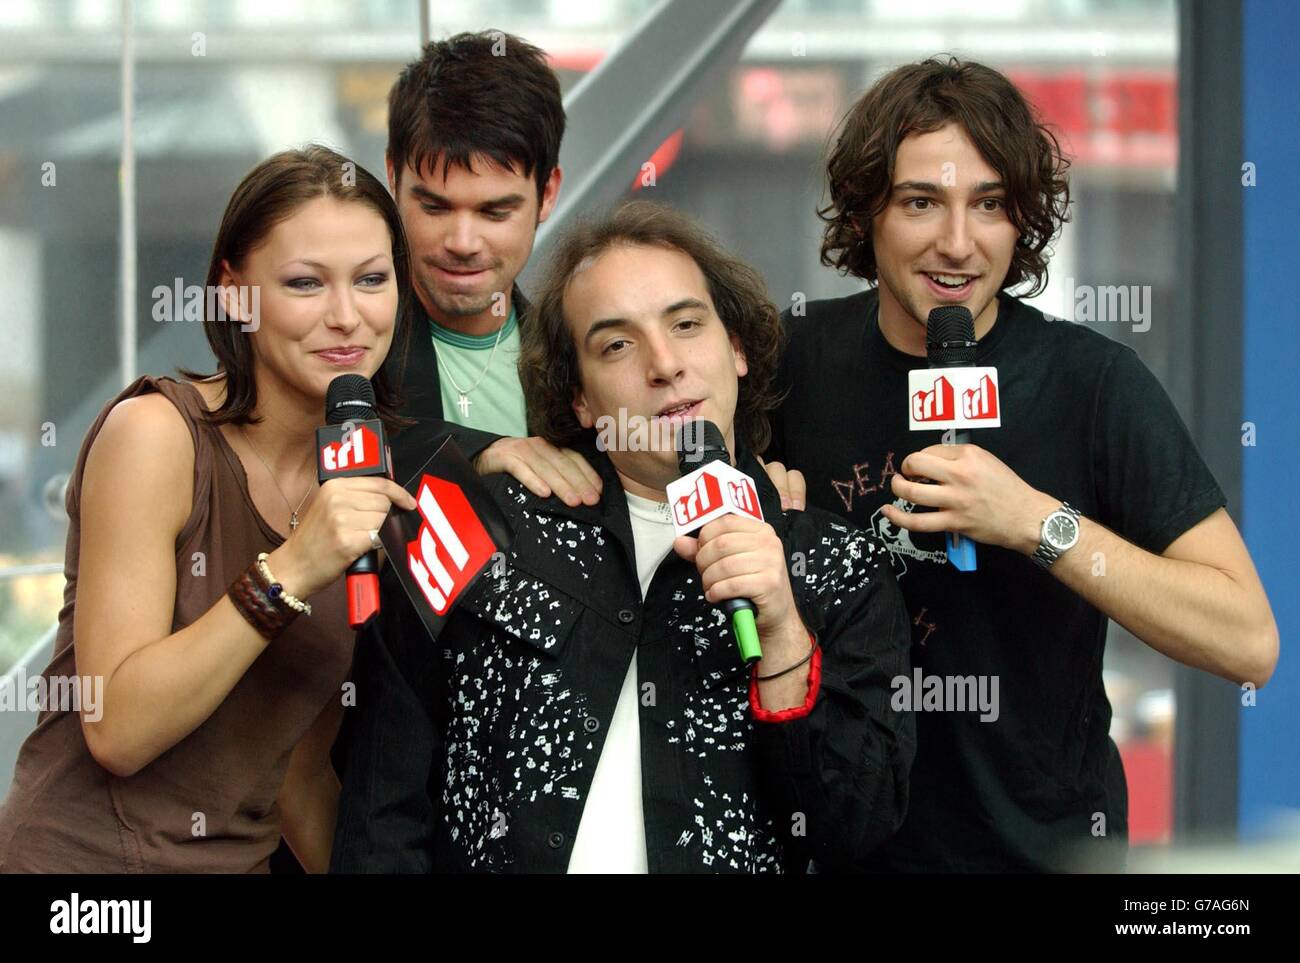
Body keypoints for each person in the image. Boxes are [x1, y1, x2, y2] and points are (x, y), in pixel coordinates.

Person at [763, 57, 1279, 871]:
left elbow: (1247, 638)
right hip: (837, 849)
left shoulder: (1091, 382)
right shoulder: (788, 361)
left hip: (1045, 853)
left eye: (991, 205)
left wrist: (1037, 523)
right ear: (868, 212)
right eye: (922, 202)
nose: (958, 243)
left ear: (1023, 222)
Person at [329, 202, 915, 873]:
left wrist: (783, 629)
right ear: (579, 396)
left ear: (737, 348)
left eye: (687, 325)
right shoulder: (478, 528)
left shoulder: (837, 564)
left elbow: (854, 826)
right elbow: (381, 800)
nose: (664, 364)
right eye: (617, 343)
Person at [0, 145, 418, 873]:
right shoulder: (157, 436)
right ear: (233, 293)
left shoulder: (363, 486)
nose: (347, 316)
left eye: (372, 279)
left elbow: (296, 774)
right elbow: (118, 728)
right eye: (304, 283)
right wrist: (289, 568)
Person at [381, 29, 604, 507]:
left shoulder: (579, 359)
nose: (462, 243)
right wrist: (472, 456)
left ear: (547, 194)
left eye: (494, 212)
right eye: (435, 208)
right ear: (392, 177)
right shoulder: (345, 339)